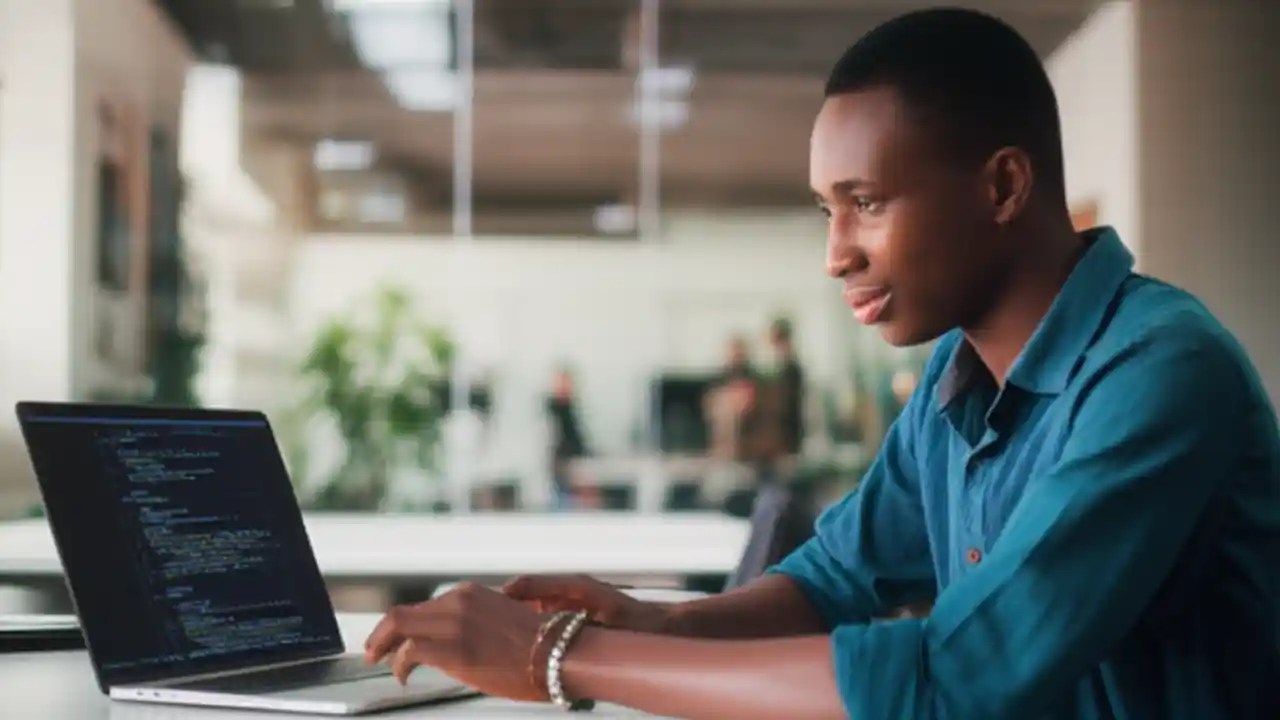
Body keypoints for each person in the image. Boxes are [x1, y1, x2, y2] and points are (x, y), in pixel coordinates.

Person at [362, 8, 1280, 719]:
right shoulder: (956, 381)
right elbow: (833, 580)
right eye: (825, 211)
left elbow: (957, 681)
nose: (836, 253)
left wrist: (559, 656)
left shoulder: (1160, 372)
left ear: (1002, 187)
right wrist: (656, 621)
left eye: (867, 202)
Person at [545, 366, 590, 510]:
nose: (566, 386)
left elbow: (576, 438)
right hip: (559, 467)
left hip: (571, 465)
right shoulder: (552, 410)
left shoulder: (569, 409)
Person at [767, 317, 805, 456]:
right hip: (783, 435)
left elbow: (789, 405)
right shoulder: (781, 365)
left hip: (788, 435)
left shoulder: (791, 368)